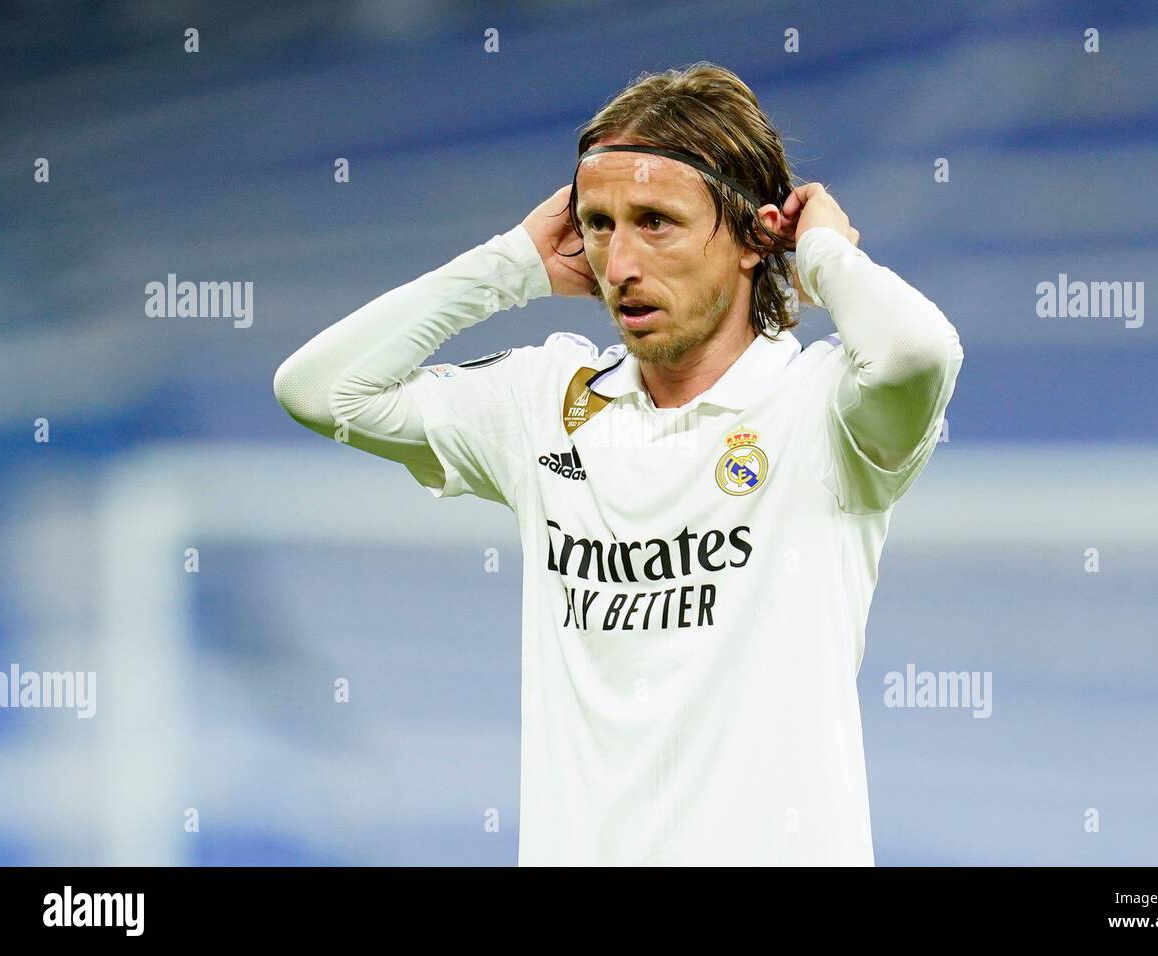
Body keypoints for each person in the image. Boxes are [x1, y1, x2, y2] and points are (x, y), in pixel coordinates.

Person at [273, 62, 963, 866]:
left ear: (752, 236)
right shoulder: (544, 404)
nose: (620, 262)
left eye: (656, 221)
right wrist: (508, 267)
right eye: (599, 224)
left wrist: (822, 257)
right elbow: (321, 391)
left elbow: (918, 350)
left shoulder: (823, 411)